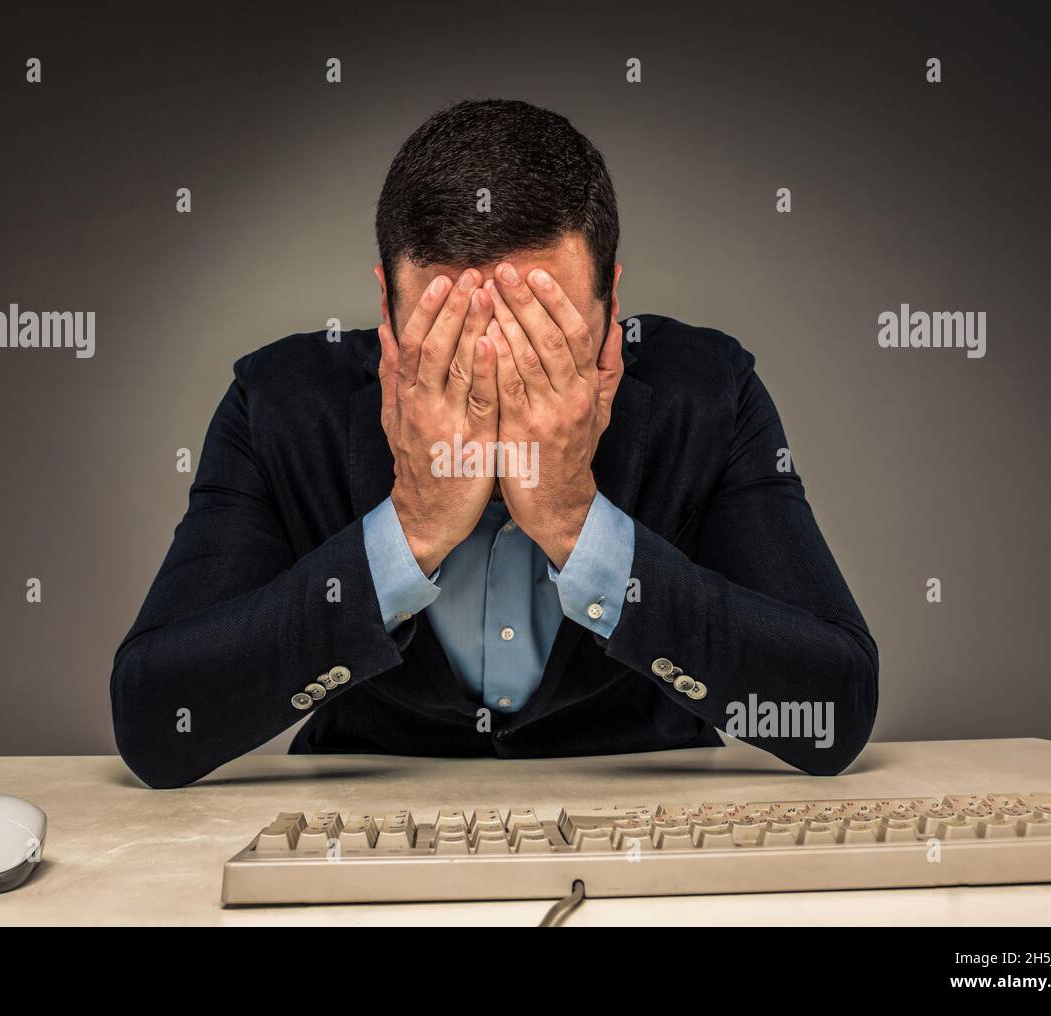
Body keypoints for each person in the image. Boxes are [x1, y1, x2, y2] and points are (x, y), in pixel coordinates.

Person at [110, 98, 878, 788]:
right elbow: (155, 716)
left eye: (545, 334)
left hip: (647, 804)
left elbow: (832, 708)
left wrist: (579, 524)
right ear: (386, 303)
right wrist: (411, 529)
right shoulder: (279, 405)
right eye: (450, 334)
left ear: (612, 307)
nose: (497, 374)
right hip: (363, 830)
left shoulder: (708, 394)